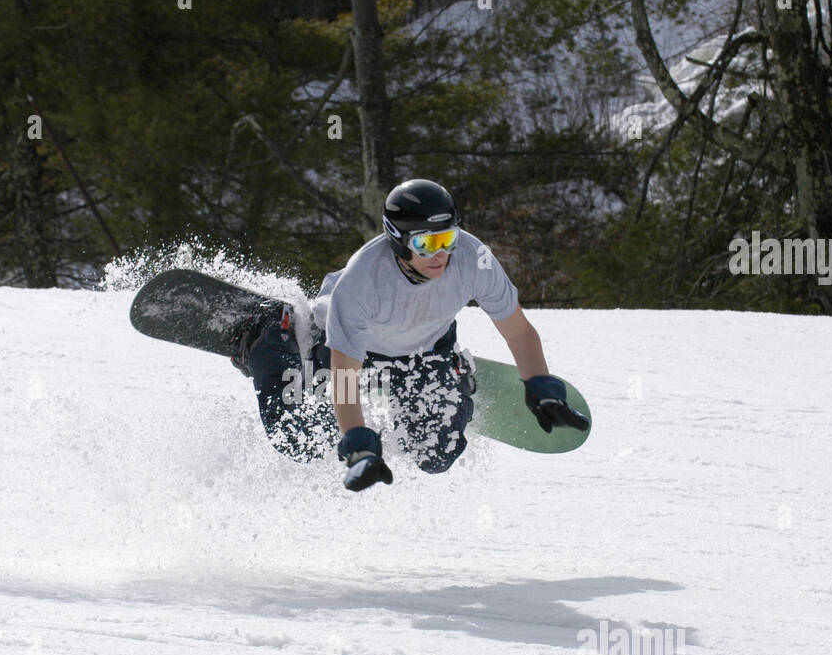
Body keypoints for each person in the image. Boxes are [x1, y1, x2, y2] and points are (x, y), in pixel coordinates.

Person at [233, 178, 588, 492]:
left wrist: (539, 384)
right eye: (425, 244)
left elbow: (520, 332)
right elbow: (344, 376)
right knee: (298, 439)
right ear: (399, 241)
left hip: (426, 350)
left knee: (437, 454)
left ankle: (457, 374)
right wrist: (359, 442)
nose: (440, 255)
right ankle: (269, 332)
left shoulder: (472, 258)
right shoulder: (362, 283)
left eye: (447, 238)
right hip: (345, 347)